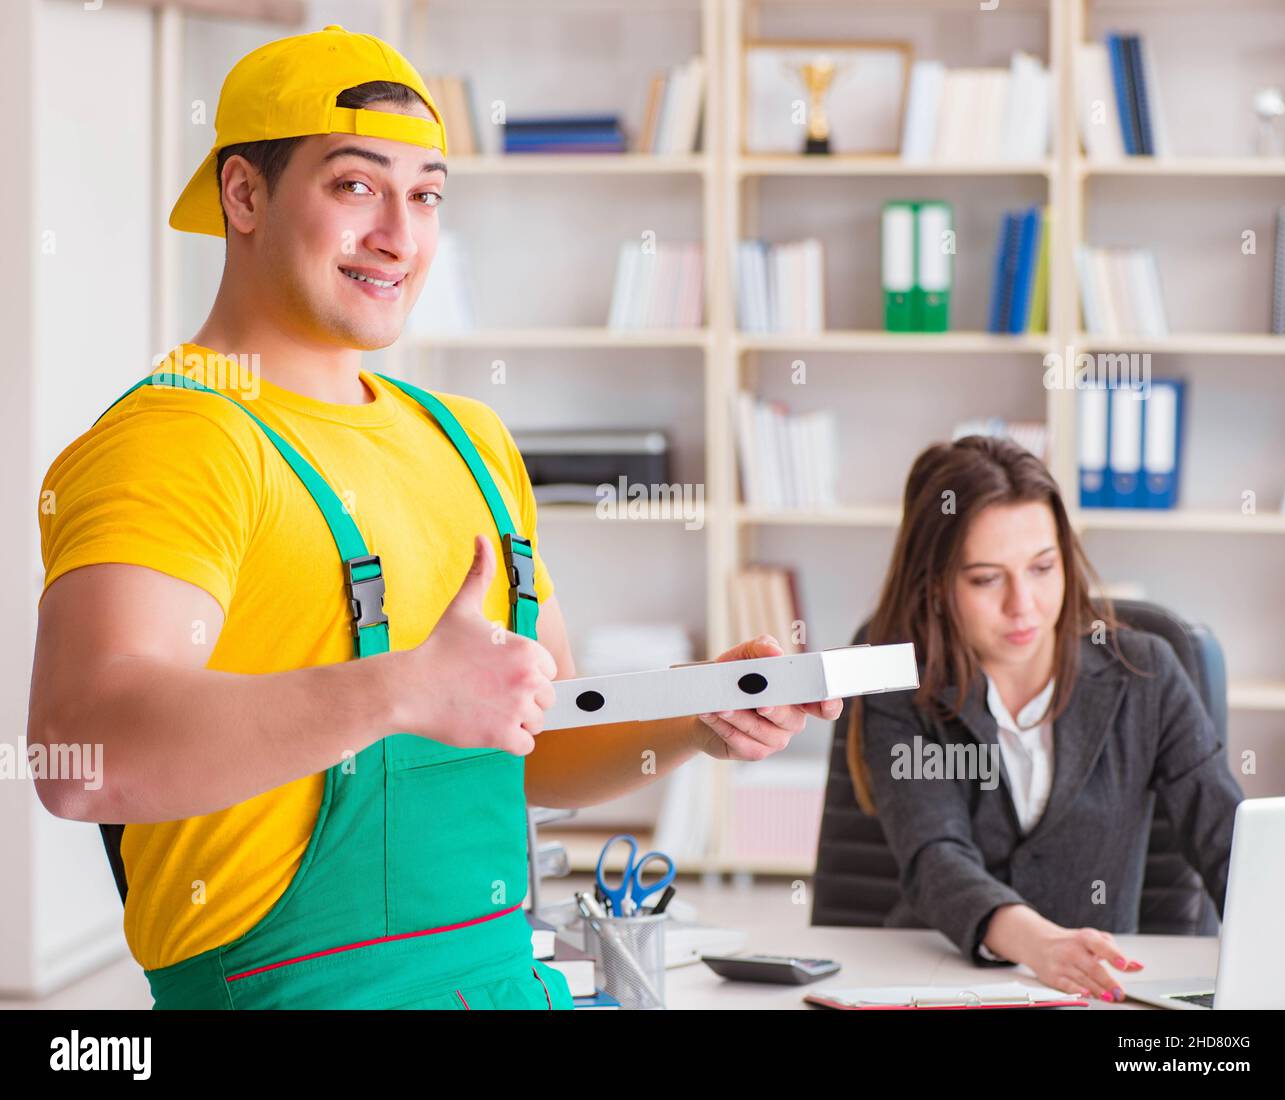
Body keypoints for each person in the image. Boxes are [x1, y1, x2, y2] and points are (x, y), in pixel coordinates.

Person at [27, 25, 842, 1010]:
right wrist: (396, 689)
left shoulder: (471, 442)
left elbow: (538, 742)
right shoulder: (180, 440)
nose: (399, 236)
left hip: (505, 984)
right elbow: (82, 756)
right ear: (243, 194)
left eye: (425, 195)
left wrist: (695, 715)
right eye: (355, 185)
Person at [845, 435, 1243, 1002]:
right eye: (986, 578)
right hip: (936, 986)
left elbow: (1230, 844)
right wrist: (1039, 945)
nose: (1022, 604)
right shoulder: (900, 680)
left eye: (1042, 567)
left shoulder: (1144, 673)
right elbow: (936, 856)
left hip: (1100, 992)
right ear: (935, 586)